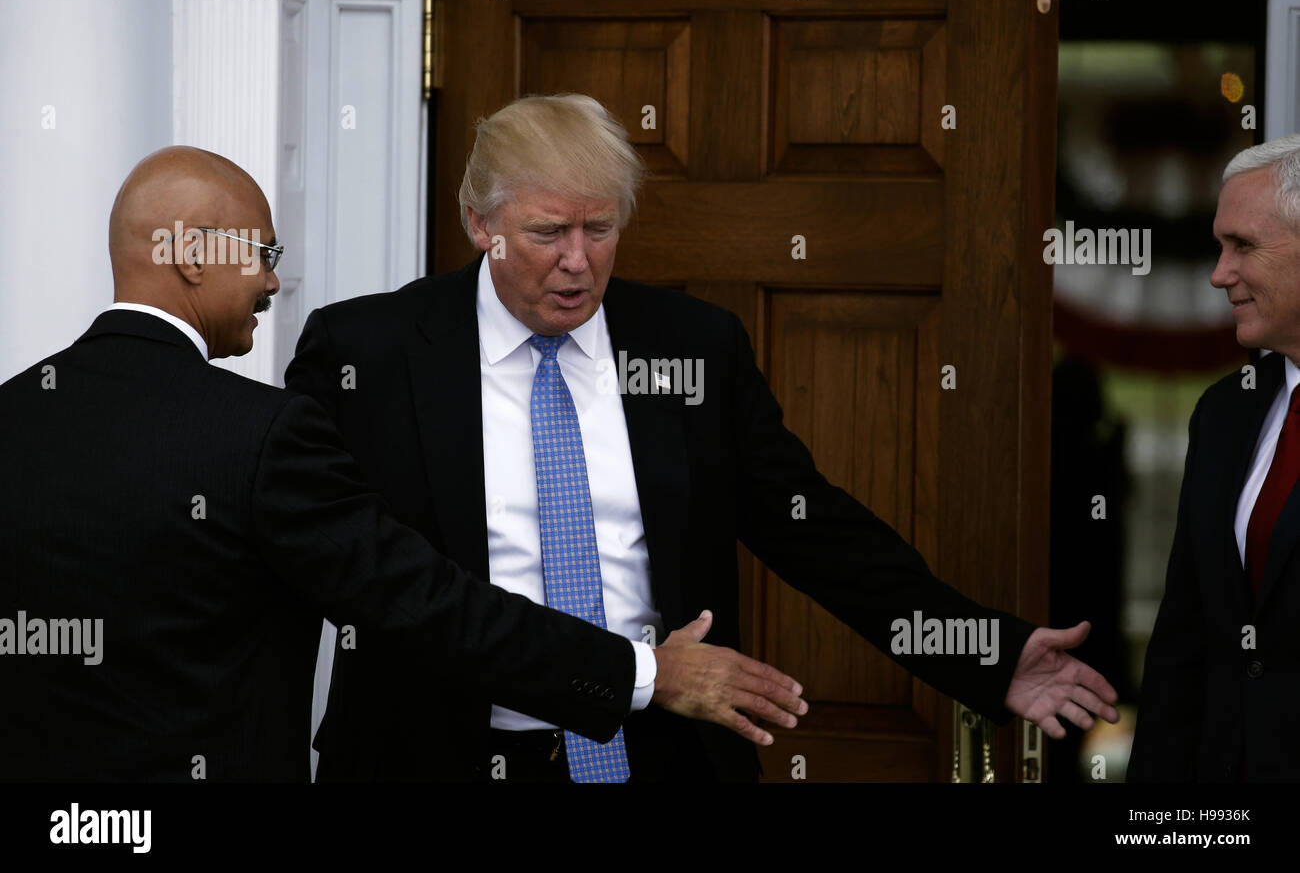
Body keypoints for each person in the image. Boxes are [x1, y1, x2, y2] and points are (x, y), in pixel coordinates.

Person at [288, 94, 1119, 782]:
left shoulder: (689, 347)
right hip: (432, 760)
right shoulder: (367, 354)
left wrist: (984, 652)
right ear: (480, 223)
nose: (579, 262)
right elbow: (343, 575)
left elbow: (810, 525)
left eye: (601, 229)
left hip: (657, 756)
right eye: (547, 233)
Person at [0, 146, 806, 782]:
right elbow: (422, 602)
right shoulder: (263, 433)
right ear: (189, 257)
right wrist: (641, 672)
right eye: (262, 251)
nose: (275, 280)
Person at [1129, 134, 1300, 782]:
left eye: (1244, 246)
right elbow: (1184, 641)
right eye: (1219, 245)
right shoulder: (1227, 411)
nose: (1218, 272)